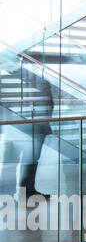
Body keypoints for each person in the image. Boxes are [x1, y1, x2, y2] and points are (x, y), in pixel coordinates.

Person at [5, 66, 53, 201]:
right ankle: (13, 192)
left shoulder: (42, 83)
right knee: (16, 162)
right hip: (19, 129)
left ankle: (27, 190)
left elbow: (48, 105)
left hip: (35, 129)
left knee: (31, 162)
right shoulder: (14, 84)